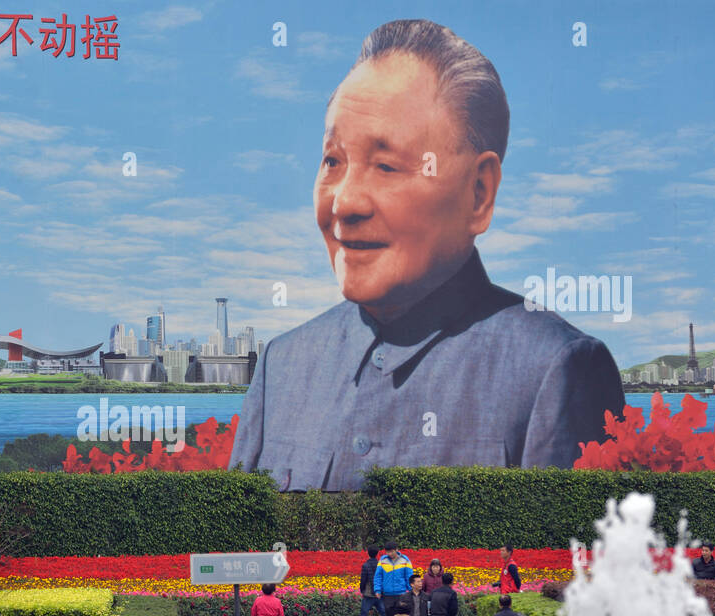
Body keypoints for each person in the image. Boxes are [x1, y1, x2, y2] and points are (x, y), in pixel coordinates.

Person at [230, 18, 624, 492]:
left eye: (386, 165)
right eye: (333, 160)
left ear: (478, 193)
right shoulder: (283, 366)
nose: (345, 203)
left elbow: (562, 564)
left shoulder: (554, 370)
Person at [373, 540, 413, 616]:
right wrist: (377, 590)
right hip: (387, 594)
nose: (389, 554)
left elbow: (409, 577)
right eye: (387, 552)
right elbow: (378, 576)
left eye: (391, 552)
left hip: (401, 593)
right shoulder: (383, 560)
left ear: (396, 550)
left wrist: (411, 590)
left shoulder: (405, 560)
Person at [357, 545, 385, 616]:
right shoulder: (380, 564)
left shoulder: (365, 565)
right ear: (377, 553)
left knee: (363, 614)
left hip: (368, 593)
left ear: (368, 553)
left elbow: (363, 580)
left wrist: (362, 590)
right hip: (379, 593)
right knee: (384, 614)